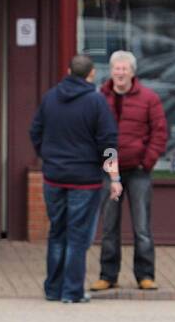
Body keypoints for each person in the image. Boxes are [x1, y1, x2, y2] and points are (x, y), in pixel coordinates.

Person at [30, 54, 121, 304]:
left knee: (57, 232)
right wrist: (114, 176)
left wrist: (47, 156)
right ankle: (72, 291)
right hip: (86, 179)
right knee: (78, 236)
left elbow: (35, 131)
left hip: (54, 176)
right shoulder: (96, 101)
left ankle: (52, 289)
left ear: (69, 70)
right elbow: (108, 142)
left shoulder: (50, 97)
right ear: (91, 74)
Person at [93, 50, 167, 292]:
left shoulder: (149, 98)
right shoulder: (99, 98)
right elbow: (91, 131)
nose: (120, 73)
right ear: (111, 71)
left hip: (138, 172)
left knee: (142, 227)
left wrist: (146, 162)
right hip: (109, 171)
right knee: (108, 227)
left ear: (133, 72)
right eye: (116, 68)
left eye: (124, 69)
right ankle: (107, 275)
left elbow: (159, 133)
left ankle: (145, 275)